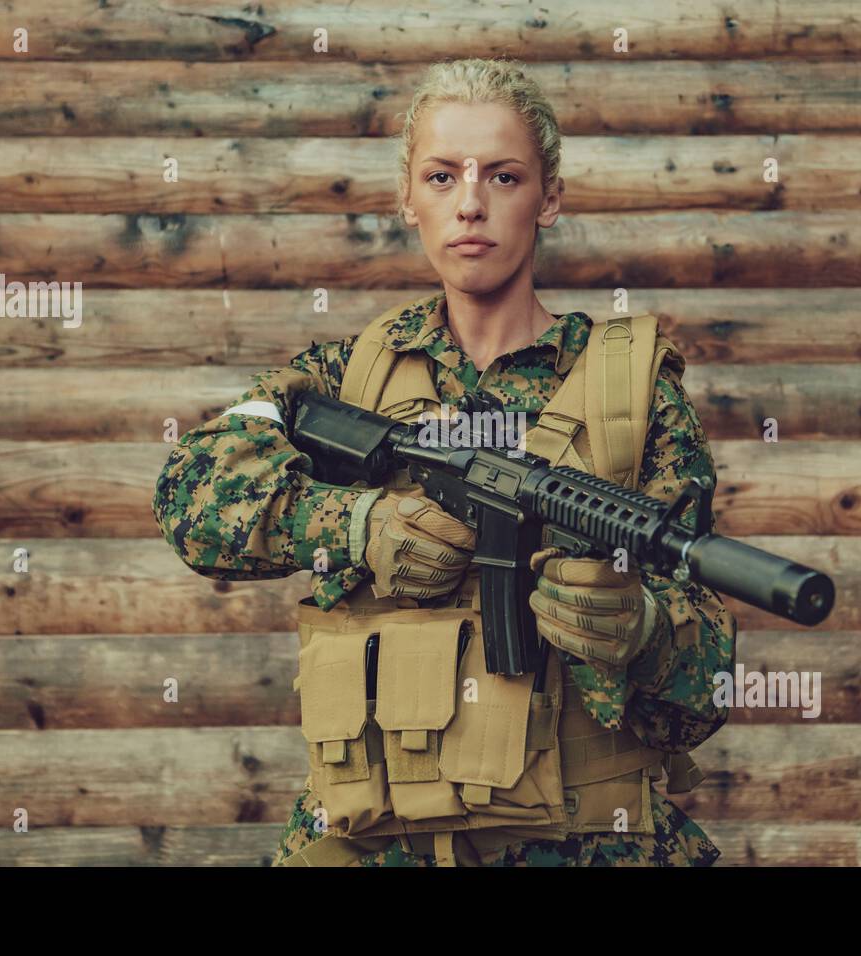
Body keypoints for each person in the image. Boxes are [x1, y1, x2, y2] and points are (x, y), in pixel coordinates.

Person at [152, 57, 736, 866]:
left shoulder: (630, 398)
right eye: (441, 176)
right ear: (407, 201)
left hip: (587, 842)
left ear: (550, 198)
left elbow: (707, 693)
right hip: (373, 842)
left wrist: (640, 630)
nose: (470, 204)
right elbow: (189, 493)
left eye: (503, 176)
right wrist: (352, 523)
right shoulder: (340, 378)